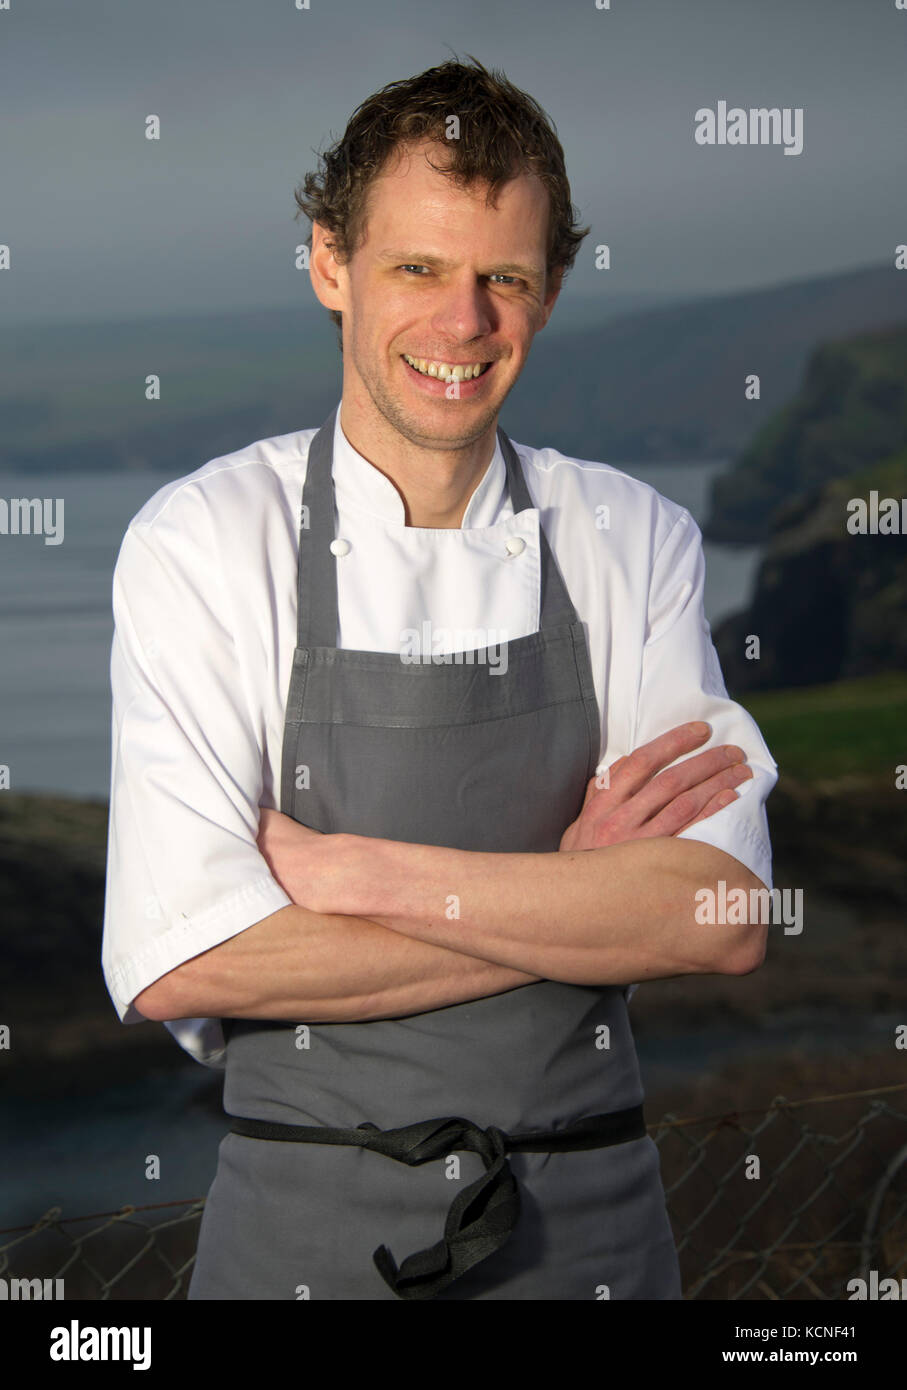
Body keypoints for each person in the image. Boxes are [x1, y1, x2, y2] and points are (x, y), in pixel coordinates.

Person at [101, 56, 778, 1301]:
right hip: (303, 1246)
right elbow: (183, 960)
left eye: (503, 279)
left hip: (597, 1245)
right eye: (418, 268)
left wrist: (362, 875)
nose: (463, 324)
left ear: (549, 290)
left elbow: (722, 915)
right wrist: (574, 895)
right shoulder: (203, 543)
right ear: (329, 263)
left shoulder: (631, 537)